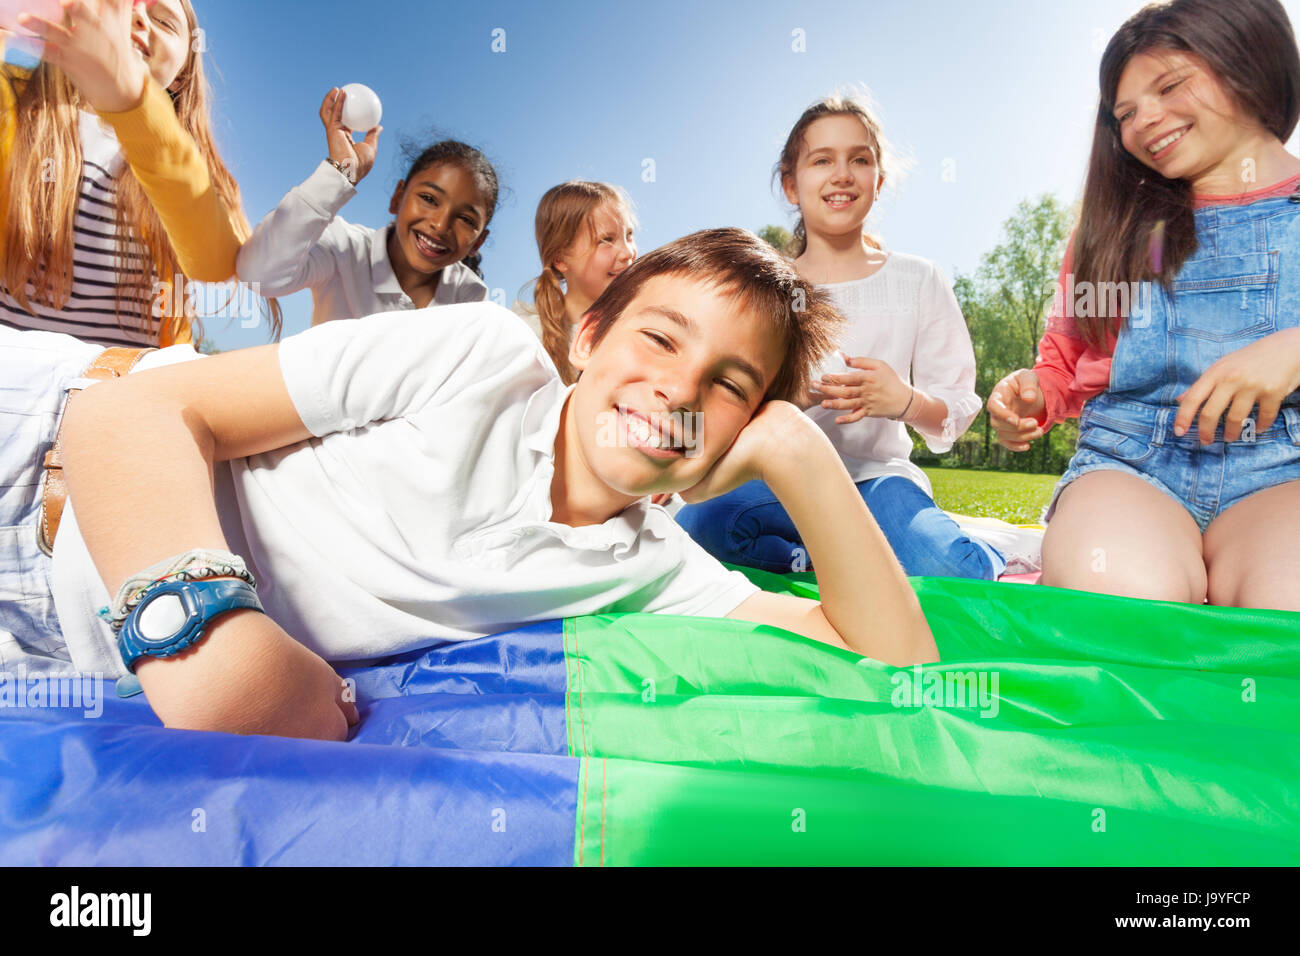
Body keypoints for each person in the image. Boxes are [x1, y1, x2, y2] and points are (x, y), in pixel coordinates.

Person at [2, 228, 938, 741]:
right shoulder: (477, 356)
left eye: (732, 386)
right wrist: (215, 642)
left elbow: (900, 670)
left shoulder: (661, 574)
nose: (680, 389)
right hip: (41, 449)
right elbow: (127, 420)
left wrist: (797, 447)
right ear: (588, 335)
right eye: (659, 337)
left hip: (57, 649)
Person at [987, 0, 1300, 611]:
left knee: (1286, 605)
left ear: (1247, 59)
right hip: (1133, 463)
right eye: (1125, 113)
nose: (1144, 121)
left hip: (1283, 468)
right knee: (1121, 598)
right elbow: (1067, 358)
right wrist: (1034, 394)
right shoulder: (1118, 229)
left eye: (1168, 86)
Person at [677, 94, 1003, 580]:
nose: (842, 174)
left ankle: (992, 553)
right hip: (777, 478)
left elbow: (954, 407)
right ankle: (819, 557)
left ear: (878, 180)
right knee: (696, 530)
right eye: (822, 160)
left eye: (859, 159)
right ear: (792, 184)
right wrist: (789, 395)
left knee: (949, 570)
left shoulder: (918, 279)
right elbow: (723, 396)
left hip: (876, 481)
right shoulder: (767, 286)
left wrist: (905, 401)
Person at [1, 0, 278, 346]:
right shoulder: (16, 106)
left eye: (164, 21)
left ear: (181, 76)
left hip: (130, 388)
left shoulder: (189, 163)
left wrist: (132, 103)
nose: (138, 19)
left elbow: (216, 266)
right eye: (120, 7)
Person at [236, 88, 497, 324]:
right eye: (428, 199)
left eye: (466, 219)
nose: (440, 225)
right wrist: (341, 173)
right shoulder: (344, 249)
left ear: (478, 242)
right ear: (398, 198)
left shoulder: (470, 297)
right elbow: (259, 275)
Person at [521, 180, 636, 382]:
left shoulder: (640, 325)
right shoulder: (527, 335)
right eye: (606, 240)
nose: (628, 252)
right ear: (561, 259)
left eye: (629, 235)